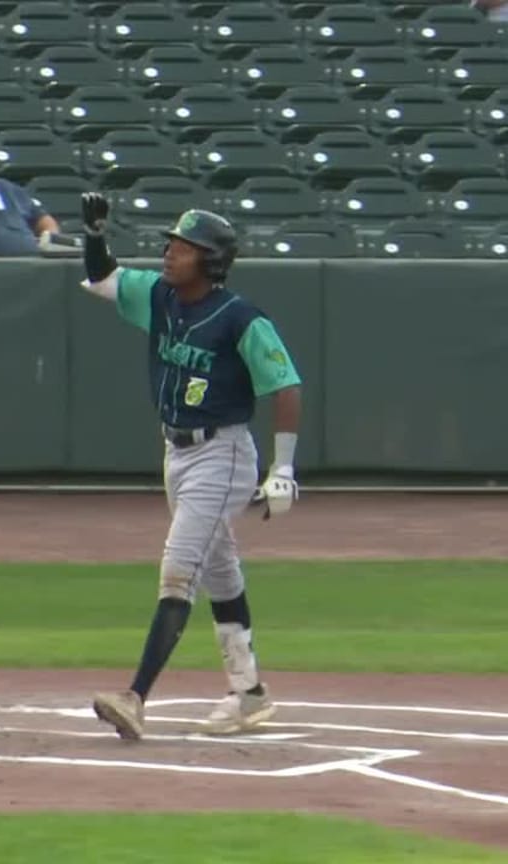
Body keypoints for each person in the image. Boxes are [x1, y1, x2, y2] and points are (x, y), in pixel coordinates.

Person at [79, 193, 303, 740]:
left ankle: (135, 697)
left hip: (222, 454)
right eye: (172, 245)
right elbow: (105, 279)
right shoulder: (160, 296)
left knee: (179, 570)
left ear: (210, 260)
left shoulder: (241, 318)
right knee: (220, 571)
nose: (169, 254)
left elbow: (286, 386)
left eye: (182, 248)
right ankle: (249, 692)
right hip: (177, 455)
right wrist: (95, 235)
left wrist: (283, 470)